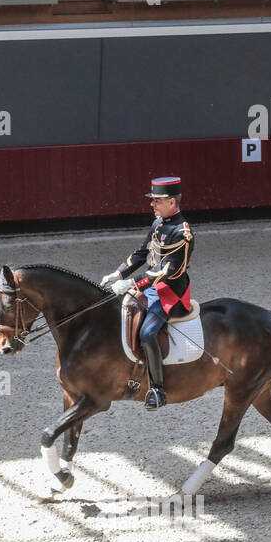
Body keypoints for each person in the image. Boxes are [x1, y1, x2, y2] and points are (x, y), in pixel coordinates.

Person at [100, 176, 194, 410]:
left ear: (172, 202)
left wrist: (132, 284)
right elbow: (141, 254)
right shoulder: (158, 223)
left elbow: (166, 271)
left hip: (169, 293)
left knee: (148, 332)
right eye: (152, 200)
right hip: (151, 287)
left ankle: (157, 390)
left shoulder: (182, 233)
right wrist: (118, 274)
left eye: (157, 201)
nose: (152, 204)